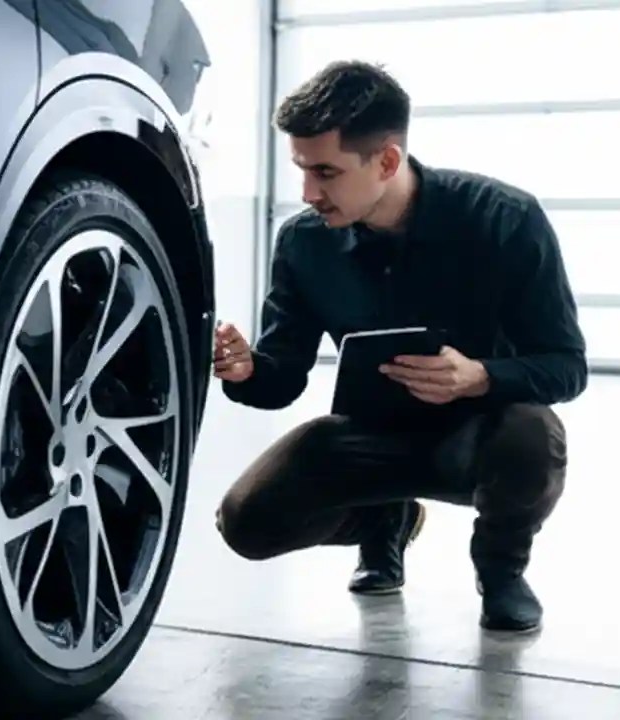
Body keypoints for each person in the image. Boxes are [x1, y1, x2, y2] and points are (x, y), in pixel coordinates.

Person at [212, 60, 587, 634]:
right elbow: (282, 376)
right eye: (301, 171)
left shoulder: (506, 220)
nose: (308, 193)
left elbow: (566, 367)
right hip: (369, 437)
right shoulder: (303, 244)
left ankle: (502, 572)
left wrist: (480, 376)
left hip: (479, 437)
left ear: (386, 161)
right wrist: (245, 370)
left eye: (327, 173)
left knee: (534, 436)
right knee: (245, 524)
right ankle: (384, 522)